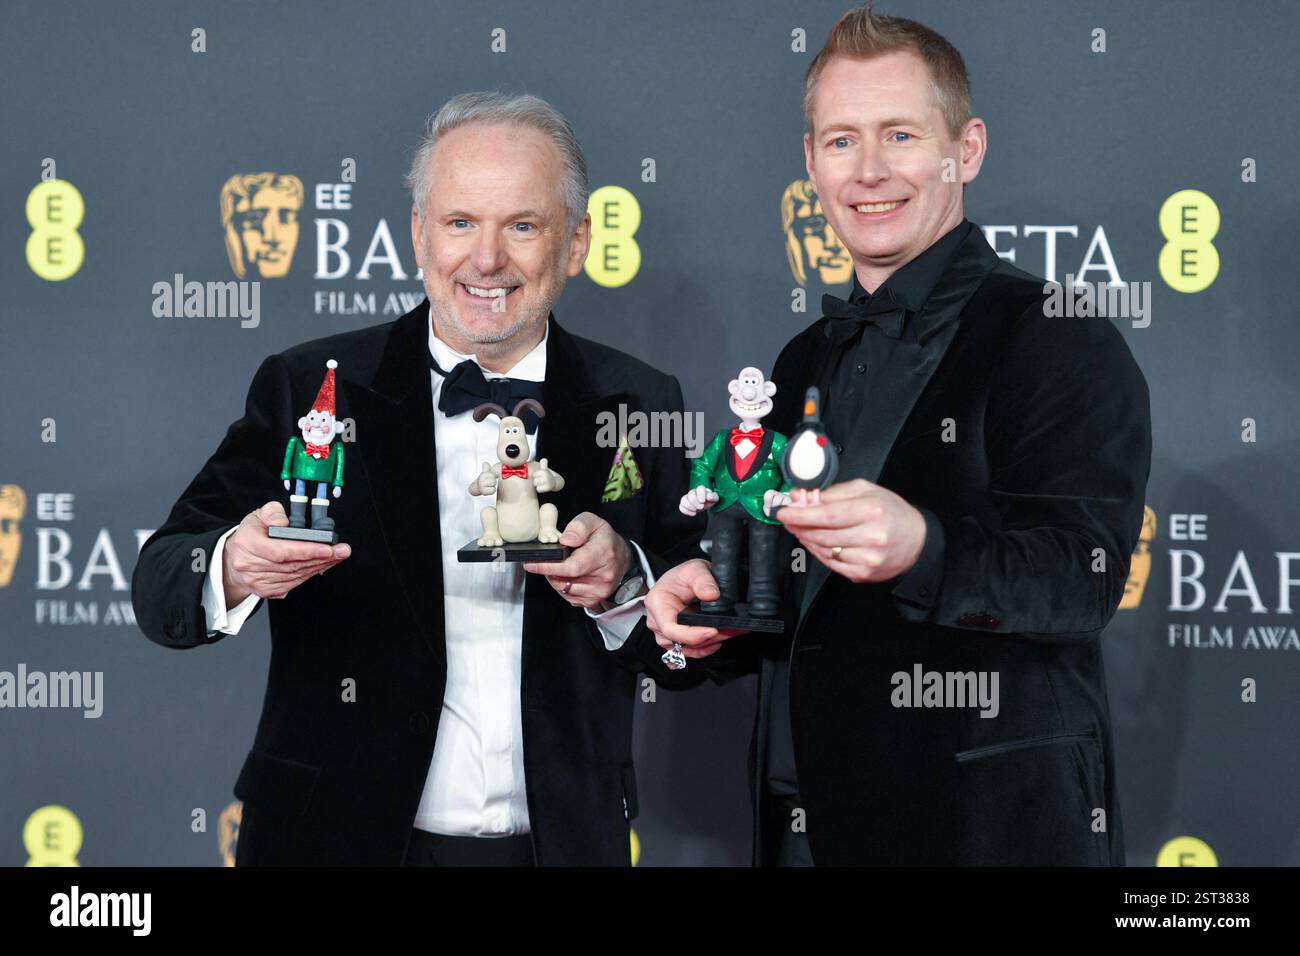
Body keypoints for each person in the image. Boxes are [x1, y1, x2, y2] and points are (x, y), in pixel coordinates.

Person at [132, 91, 704, 866]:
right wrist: (235, 563)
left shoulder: (639, 401)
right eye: (460, 222)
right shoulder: (310, 387)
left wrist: (627, 584)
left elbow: (702, 642)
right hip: (334, 843)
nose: (488, 259)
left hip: (564, 847)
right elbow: (163, 586)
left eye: (523, 225)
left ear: (576, 243)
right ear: (417, 235)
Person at [645, 4, 1152, 866]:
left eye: (901, 135)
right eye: (841, 140)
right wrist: (721, 606)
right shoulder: (804, 356)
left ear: (968, 149)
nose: (869, 171)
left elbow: (1084, 577)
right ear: (810, 161)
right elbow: (814, 607)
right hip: (799, 829)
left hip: (980, 832)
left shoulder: (1057, 332)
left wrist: (924, 546)